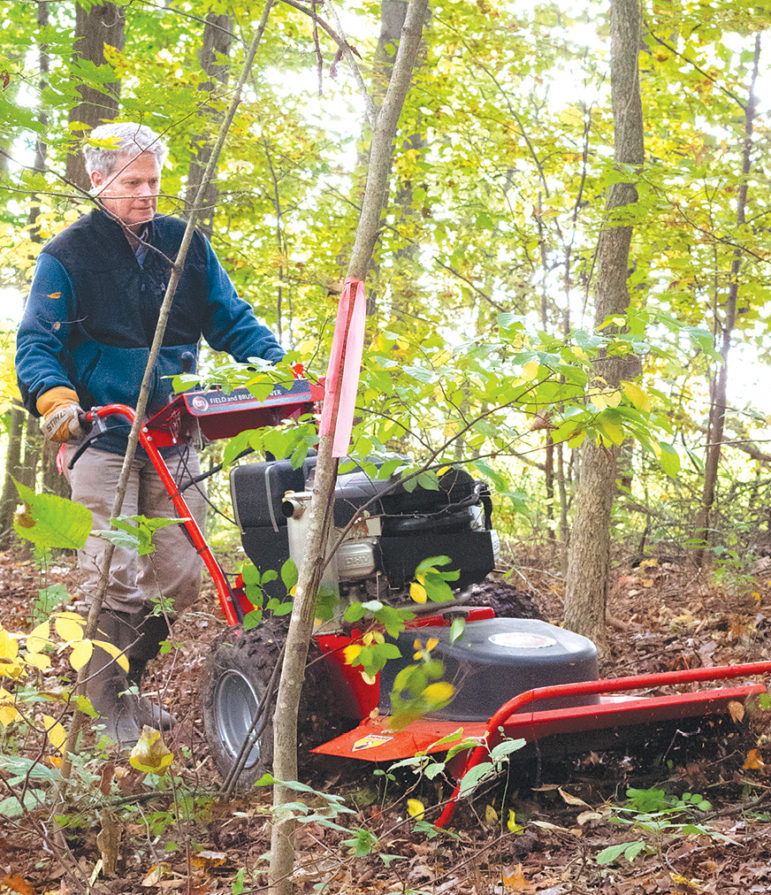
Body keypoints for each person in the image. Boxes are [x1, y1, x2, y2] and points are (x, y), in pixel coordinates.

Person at [16, 122, 284, 746]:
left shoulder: (182, 243)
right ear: (97, 181)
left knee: (179, 579)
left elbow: (231, 320)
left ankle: (124, 685)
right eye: (131, 182)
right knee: (113, 571)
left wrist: (279, 375)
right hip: (103, 439)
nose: (146, 194)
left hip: (175, 431)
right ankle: (107, 706)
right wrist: (56, 400)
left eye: (154, 182)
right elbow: (37, 341)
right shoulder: (69, 253)